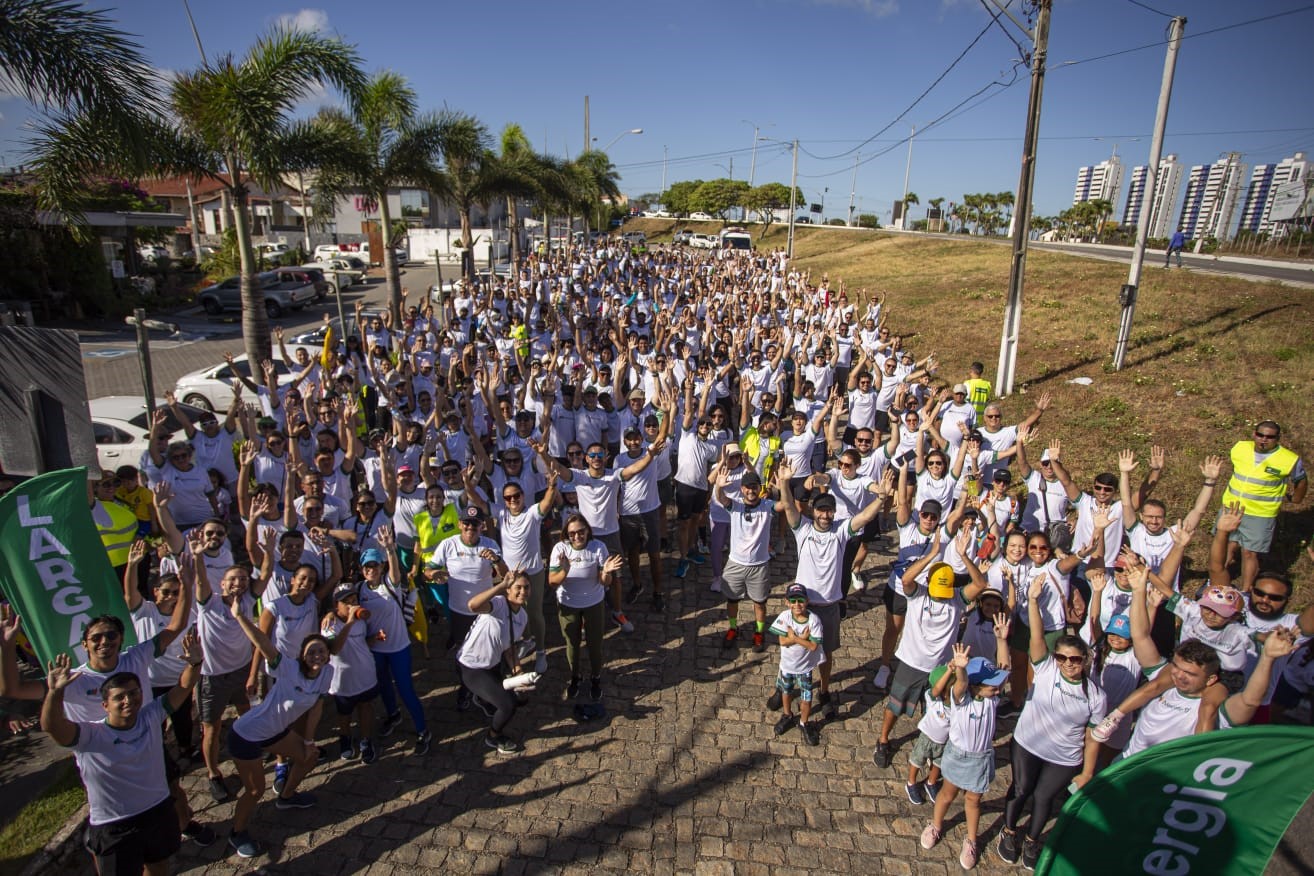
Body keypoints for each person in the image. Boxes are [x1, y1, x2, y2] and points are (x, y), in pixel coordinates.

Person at [40, 633, 203, 876]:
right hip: (114, 826)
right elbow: (52, 726)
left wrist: (195, 664)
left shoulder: (150, 716)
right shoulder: (89, 735)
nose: (129, 700)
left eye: (134, 693)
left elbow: (182, 687)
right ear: (105, 705)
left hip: (157, 812)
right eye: (119, 697)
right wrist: (54, 693)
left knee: (159, 867)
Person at [997, 573, 1107, 868]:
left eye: (1074, 660)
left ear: (1085, 660)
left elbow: (1093, 736)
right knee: (1021, 789)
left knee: (1045, 799)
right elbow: (1036, 635)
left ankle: (1032, 841)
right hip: (1028, 743)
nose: (1068, 664)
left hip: (1064, 756)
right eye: (1062, 658)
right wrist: (1032, 601)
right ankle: (1008, 831)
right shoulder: (1045, 669)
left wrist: (1087, 771)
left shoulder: (1095, 695)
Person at [225, 598, 346, 858]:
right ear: (302, 655)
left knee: (308, 756)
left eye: (322, 652)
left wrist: (309, 740)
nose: (317, 656)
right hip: (246, 735)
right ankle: (237, 832)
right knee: (255, 789)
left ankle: (286, 797)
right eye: (311, 652)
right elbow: (262, 641)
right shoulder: (288, 667)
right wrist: (240, 616)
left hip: (275, 732)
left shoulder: (326, 672)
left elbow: (315, 708)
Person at [920, 640, 1011, 871]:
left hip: (980, 759)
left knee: (973, 801)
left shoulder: (992, 699)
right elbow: (960, 684)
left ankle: (971, 840)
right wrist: (960, 668)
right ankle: (936, 825)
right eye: (992, 685)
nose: (998, 689)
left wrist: (1000, 640)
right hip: (958, 756)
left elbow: (1005, 668)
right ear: (975, 686)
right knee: (947, 795)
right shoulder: (962, 700)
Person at [548, 514, 625, 703]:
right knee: (572, 644)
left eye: (581, 532)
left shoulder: (598, 547)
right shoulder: (560, 549)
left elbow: (604, 582)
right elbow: (552, 582)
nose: (576, 536)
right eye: (572, 533)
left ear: (587, 531)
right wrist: (564, 570)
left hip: (593, 603)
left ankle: (596, 677)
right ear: (566, 533)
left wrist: (606, 571)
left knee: (595, 644)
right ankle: (575, 677)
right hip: (568, 604)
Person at [1222, 421, 1306, 592]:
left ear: (1278, 438)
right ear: (1254, 434)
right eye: (1260, 435)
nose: (1264, 440)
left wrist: (1296, 499)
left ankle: (1246, 591)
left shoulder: (1289, 459)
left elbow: (1301, 480)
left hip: (1260, 514)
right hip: (1231, 507)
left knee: (1249, 553)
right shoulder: (1240, 448)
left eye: (1270, 437)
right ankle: (1216, 582)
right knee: (1226, 546)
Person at [457, 570, 531, 754]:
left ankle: (481, 697)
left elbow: (510, 649)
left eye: (526, 587)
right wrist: (499, 586)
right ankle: (493, 736)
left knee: (522, 698)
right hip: (471, 666)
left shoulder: (522, 617)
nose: (522, 591)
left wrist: (520, 674)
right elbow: (473, 605)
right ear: (508, 590)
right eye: (517, 588)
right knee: (508, 705)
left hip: (493, 664)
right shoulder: (498, 604)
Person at [768, 583, 825, 746]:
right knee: (786, 693)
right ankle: (787, 714)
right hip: (787, 667)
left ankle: (804, 722)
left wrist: (795, 638)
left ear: (806, 601)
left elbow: (814, 646)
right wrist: (803, 640)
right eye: (793, 601)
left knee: (806, 699)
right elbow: (782, 641)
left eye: (800, 601)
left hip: (805, 668)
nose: (797, 605)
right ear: (787, 602)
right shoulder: (785, 617)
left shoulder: (814, 620)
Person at [903, 664, 952, 806]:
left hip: (944, 742)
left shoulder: (957, 705)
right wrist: (949, 671)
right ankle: (911, 782)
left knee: (938, 764)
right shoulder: (933, 700)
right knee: (918, 760)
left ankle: (931, 782)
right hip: (927, 739)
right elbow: (935, 691)